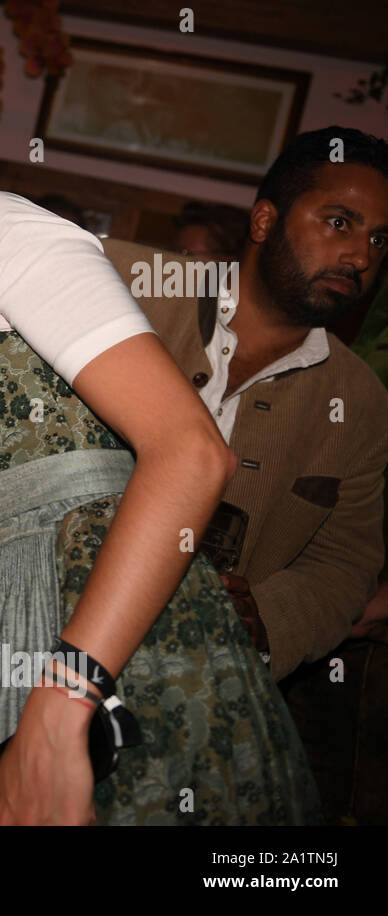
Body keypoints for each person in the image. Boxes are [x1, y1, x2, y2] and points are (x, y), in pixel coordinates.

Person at [0, 88, 320, 825]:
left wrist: (68, 691)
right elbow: (17, 551)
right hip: (15, 649)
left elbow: (191, 453)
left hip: (104, 650)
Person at [107, 126, 388, 680]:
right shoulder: (125, 284)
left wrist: (269, 619)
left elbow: (344, 563)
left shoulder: (361, 405)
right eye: (339, 222)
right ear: (264, 221)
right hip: (25, 617)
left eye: (380, 240)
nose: (359, 254)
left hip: (193, 677)